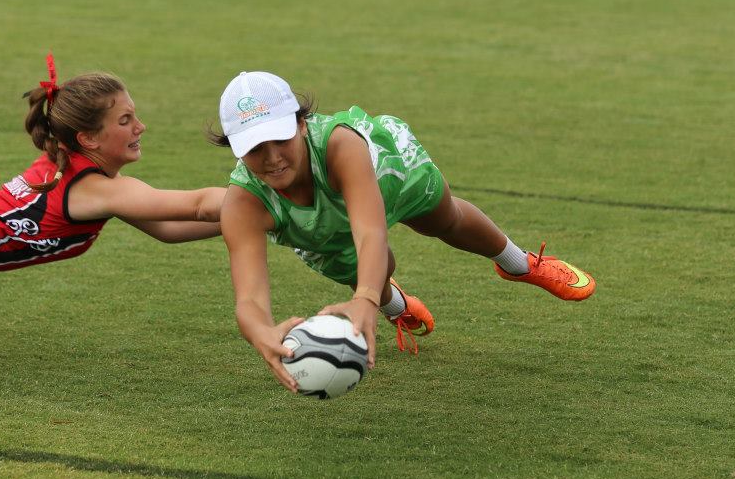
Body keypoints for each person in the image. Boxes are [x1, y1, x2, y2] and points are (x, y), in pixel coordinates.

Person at [211, 71, 596, 393]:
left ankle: (518, 262)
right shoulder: (242, 202)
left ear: (300, 123)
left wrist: (361, 299)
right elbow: (249, 300)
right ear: (235, 149)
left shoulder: (340, 145)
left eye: (281, 138)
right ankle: (397, 307)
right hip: (322, 230)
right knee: (371, 275)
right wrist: (259, 333)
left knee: (445, 220)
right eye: (256, 147)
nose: (273, 156)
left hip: (386, 178)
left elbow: (371, 234)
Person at [0, 55, 225, 296]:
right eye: (125, 120)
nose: (141, 127)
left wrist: (256, 217)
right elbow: (200, 205)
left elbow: (168, 228)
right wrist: (269, 198)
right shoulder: (95, 189)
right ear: (88, 138)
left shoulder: (68, 163)